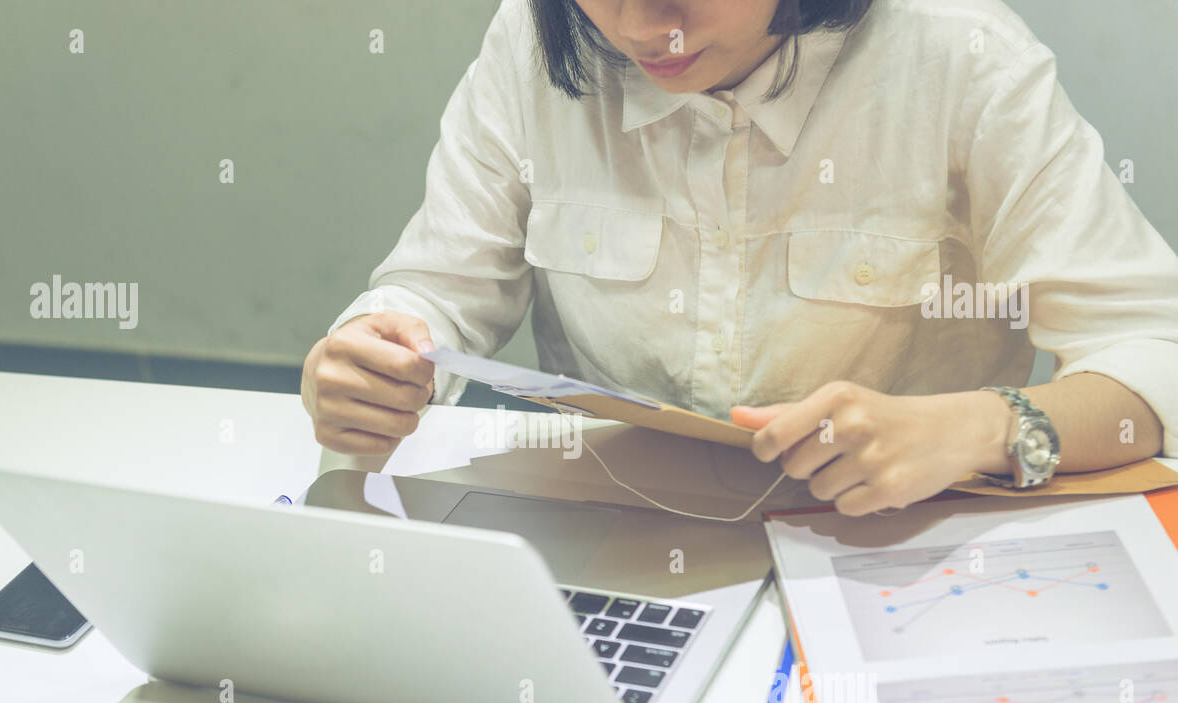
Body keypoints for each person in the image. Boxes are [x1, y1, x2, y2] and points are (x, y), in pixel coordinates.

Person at [302, 0, 1177, 515]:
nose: (647, 28)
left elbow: (1154, 355)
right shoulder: (538, 45)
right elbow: (437, 286)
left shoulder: (958, 53)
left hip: (896, 549)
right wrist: (375, 352)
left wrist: (978, 428)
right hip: (613, 533)